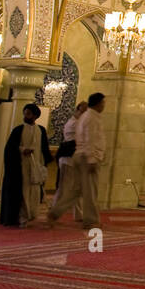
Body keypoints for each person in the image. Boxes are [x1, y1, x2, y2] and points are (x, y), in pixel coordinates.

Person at [46, 91, 105, 229]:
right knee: (90, 190)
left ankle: (54, 213)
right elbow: (90, 139)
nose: (104, 106)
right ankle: (91, 220)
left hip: (80, 155)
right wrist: (92, 160)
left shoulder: (86, 116)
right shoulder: (91, 118)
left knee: (76, 190)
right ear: (98, 103)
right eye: (103, 103)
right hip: (86, 157)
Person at [0, 103, 52, 227]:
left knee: (34, 192)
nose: (25, 115)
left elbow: (44, 148)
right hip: (21, 167)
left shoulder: (41, 130)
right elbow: (10, 148)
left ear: (34, 115)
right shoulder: (18, 130)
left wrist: (44, 163)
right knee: (22, 192)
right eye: (25, 113)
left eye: (28, 113)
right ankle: (21, 216)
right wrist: (22, 150)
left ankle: (31, 215)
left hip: (35, 166)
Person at [56, 101, 86, 193]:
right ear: (77, 111)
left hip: (71, 158)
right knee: (65, 188)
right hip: (68, 158)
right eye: (83, 112)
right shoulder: (74, 123)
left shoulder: (75, 122)